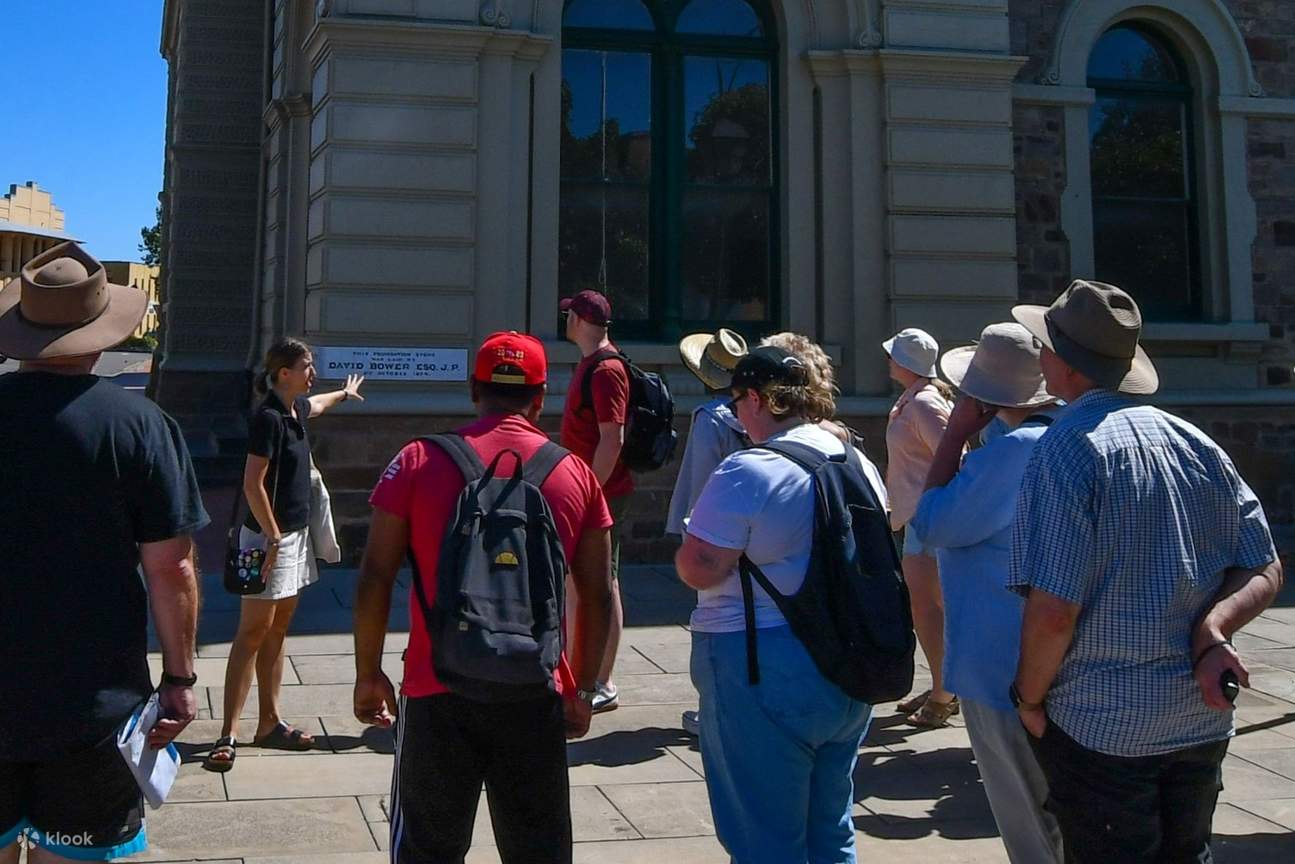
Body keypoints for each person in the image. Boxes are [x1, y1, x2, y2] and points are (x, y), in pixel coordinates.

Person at [1007, 280, 1283, 863]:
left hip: (1101, 725)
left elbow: (1054, 611)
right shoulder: (1196, 442)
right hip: (1199, 720)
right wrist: (1212, 628)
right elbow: (1264, 566)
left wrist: (1029, 698)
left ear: (1062, 364)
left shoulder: (1067, 449)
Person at [353, 331, 615, 864]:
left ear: (474, 390)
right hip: (535, 687)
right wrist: (585, 688)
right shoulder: (575, 474)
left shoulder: (417, 460)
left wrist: (369, 672)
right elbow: (598, 592)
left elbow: (375, 574)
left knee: (427, 849)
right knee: (537, 849)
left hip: (435, 686)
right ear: (541, 398)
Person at [0, 243, 208, 862]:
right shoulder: (139, 426)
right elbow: (172, 568)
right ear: (97, 334)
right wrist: (179, 677)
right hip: (93, 703)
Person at [675, 344, 888, 864]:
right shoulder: (855, 459)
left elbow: (698, 567)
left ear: (754, 399)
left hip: (760, 665)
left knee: (765, 838)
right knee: (830, 828)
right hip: (848, 662)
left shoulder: (749, 470)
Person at [907, 323, 1063, 863]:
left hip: (1001, 663)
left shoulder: (1013, 451)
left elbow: (932, 522)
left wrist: (954, 435)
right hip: (1061, 658)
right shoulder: (1065, 436)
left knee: (1030, 821)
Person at [204, 338, 364, 771]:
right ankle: (229, 733)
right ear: (283, 374)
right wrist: (272, 538)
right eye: (306, 366)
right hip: (268, 541)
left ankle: (269, 723)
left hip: (294, 539)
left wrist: (345, 394)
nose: (313, 373)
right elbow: (252, 483)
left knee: (277, 631)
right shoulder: (269, 419)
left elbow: (320, 404)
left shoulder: (295, 411)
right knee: (252, 633)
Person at [669, 328, 750, 737]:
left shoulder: (710, 419)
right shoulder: (749, 413)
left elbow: (701, 486)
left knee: (714, 622)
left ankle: (713, 710)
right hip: (752, 530)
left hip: (715, 533)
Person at [882, 327, 958, 727]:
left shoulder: (925, 403)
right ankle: (944, 683)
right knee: (927, 606)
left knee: (930, 606)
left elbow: (952, 455)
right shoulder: (915, 400)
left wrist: (937, 509)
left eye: (894, 355)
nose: (888, 360)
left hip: (929, 518)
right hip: (919, 516)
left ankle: (945, 692)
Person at [560, 289, 630, 712]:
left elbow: (612, 437)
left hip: (601, 494)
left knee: (603, 584)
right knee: (580, 583)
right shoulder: (594, 364)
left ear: (580, 320)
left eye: (568, 314)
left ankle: (601, 679)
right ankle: (578, 668)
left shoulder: (606, 370)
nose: (564, 320)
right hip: (592, 492)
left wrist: (591, 493)